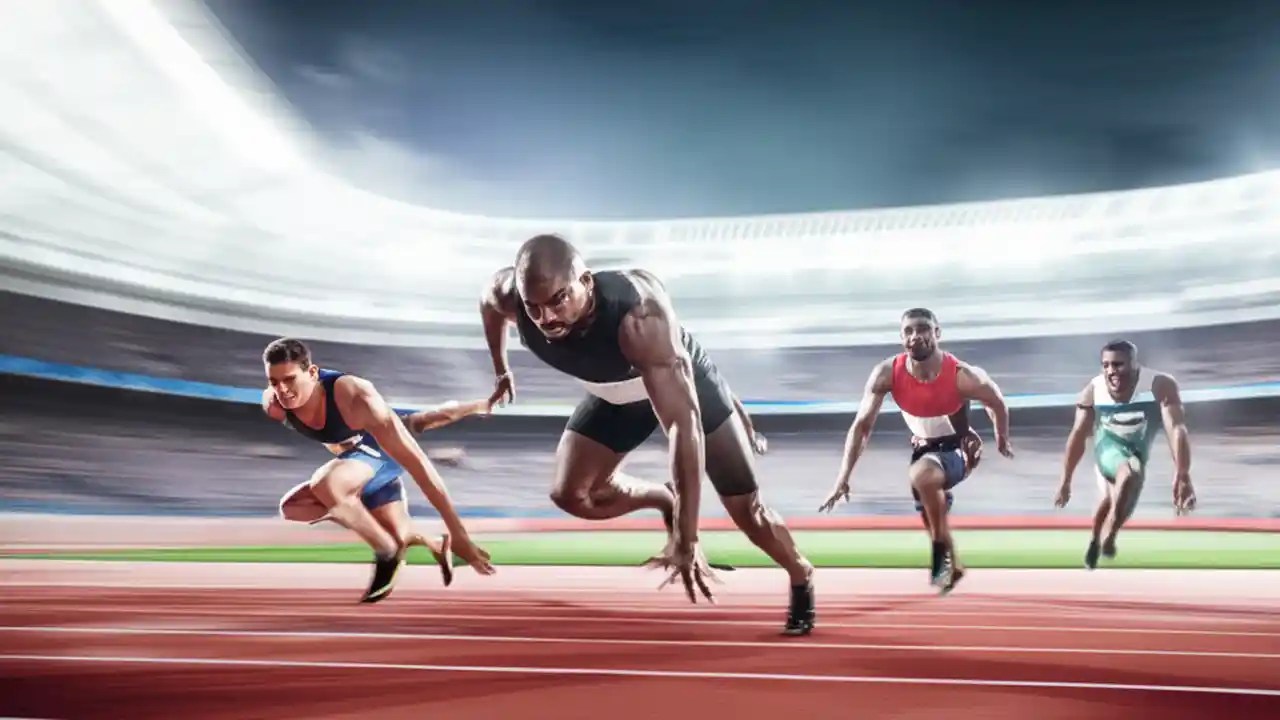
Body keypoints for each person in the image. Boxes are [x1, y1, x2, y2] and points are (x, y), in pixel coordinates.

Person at [479, 233, 816, 636]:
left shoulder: (639, 316)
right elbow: (488, 303)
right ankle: (662, 498)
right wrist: (501, 370)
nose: (547, 318)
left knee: (747, 510)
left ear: (586, 282)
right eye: (533, 308)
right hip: (617, 392)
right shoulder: (510, 296)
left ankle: (800, 573)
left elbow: (683, 426)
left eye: (558, 300)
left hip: (683, 386)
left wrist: (687, 539)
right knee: (571, 494)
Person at [262, 338, 496, 603]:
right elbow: (331, 437)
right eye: (274, 382)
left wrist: (459, 533)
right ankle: (432, 543)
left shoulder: (357, 397)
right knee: (293, 508)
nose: (282, 390)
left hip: (382, 455)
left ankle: (387, 552)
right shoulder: (275, 405)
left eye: (290, 380)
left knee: (328, 485)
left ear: (313, 372)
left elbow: (420, 467)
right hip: (360, 466)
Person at [819, 308, 1013, 593]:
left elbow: (996, 402)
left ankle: (938, 551)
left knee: (922, 476)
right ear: (901, 339)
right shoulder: (886, 374)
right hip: (923, 450)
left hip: (958, 448)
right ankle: (954, 565)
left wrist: (1000, 437)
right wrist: (843, 477)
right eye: (908, 331)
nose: (915, 336)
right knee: (925, 497)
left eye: (922, 329)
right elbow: (861, 426)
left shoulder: (962, 375)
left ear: (937, 333)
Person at [1054, 339, 1196, 569]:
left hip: (1137, 453)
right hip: (1107, 450)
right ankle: (1109, 537)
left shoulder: (1159, 385)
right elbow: (1078, 436)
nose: (1112, 371)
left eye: (1118, 365)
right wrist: (1066, 480)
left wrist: (1183, 474)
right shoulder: (1093, 391)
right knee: (1129, 472)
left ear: (1134, 364)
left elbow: (1176, 428)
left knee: (1116, 500)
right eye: (1106, 365)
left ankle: (1095, 540)